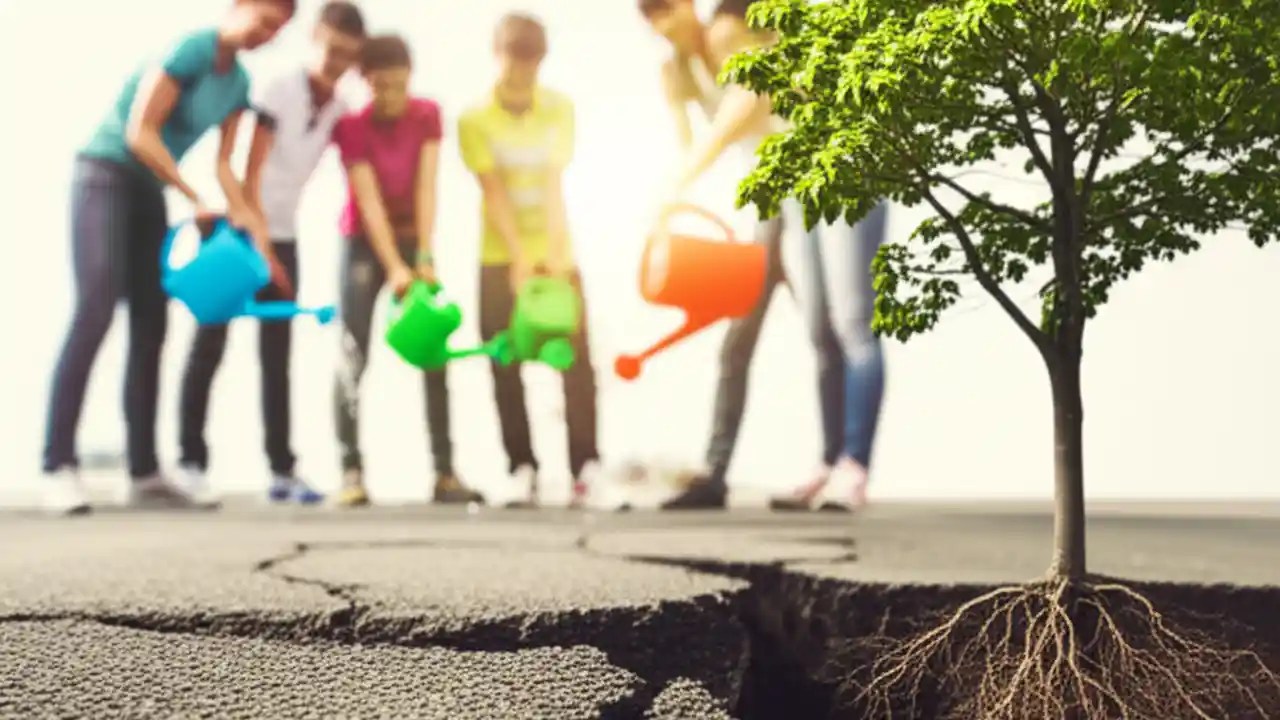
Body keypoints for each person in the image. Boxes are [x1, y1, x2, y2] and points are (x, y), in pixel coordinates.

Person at [40, 0, 296, 516]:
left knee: (152, 323)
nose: (265, 34)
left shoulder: (239, 86)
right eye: (263, 20)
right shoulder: (192, 48)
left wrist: (254, 232)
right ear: (239, 7)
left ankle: (144, 472)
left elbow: (227, 167)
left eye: (276, 31)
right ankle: (58, 464)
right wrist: (193, 196)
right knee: (95, 307)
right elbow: (141, 132)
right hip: (106, 176)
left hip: (151, 191)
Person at [639, 0, 888, 512]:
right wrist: (675, 115)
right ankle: (813, 464)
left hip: (828, 169)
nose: (661, 23)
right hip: (780, 196)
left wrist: (680, 178)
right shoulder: (680, 68)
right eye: (650, 16)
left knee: (849, 321)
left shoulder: (730, 30)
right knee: (808, 329)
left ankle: (851, 465)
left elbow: (747, 105)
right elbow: (693, 143)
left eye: (665, 8)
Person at [175, 1, 366, 507]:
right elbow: (247, 174)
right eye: (330, 51)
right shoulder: (278, 90)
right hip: (240, 231)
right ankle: (190, 461)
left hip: (284, 237)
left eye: (347, 57)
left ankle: (281, 469)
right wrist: (262, 250)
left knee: (277, 354)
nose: (335, 64)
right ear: (315, 40)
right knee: (210, 343)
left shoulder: (340, 108)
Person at [330, 34, 482, 509]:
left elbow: (426, 185)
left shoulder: (428, 115)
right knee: (354, 350)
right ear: (364, 82)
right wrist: (393, 266)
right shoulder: (351, 127)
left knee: (433, 347)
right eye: (380, 87)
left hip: (415, 237)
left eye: (398, 85)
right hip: (363, 243)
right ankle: (351, 471)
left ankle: (445, 472)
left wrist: (423, 256)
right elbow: (368, 201)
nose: (391, 96)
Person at [458, 13, 603, 509]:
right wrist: (520, 259)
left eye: (530, 64)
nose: (520, 74)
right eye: (511, 61)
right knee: (503, 356)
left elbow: (554, 184)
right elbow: (493, 191)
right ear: (495, 55)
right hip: (498, 255)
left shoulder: (559, 109)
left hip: (557, 252)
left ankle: (586, 468)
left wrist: (554, 257)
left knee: (577, 359)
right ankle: (522, 467)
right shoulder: (473, 119)